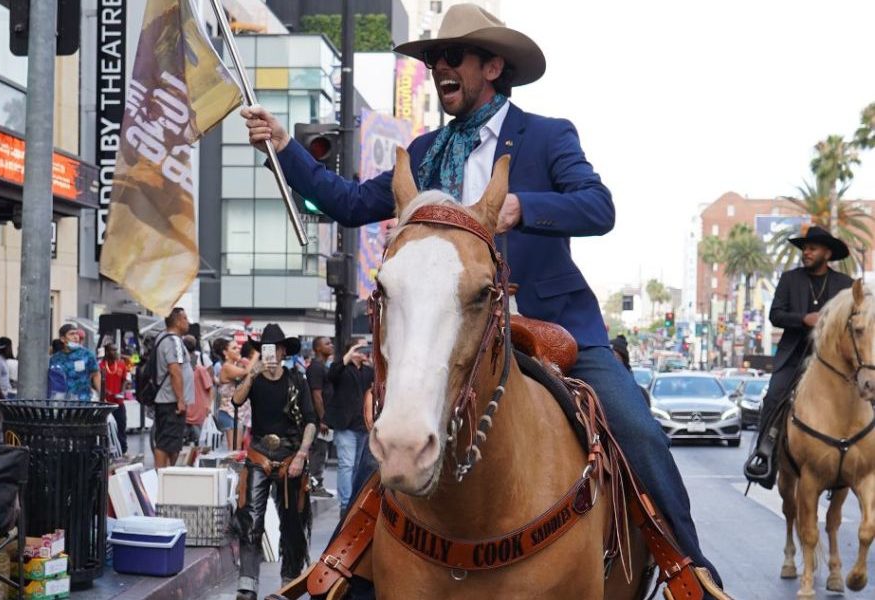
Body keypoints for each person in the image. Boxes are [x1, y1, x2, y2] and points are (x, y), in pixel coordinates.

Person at [241, 3, 723, 592]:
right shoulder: (422, 153)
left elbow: (599, 206)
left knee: (637, 430)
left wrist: (524, 208)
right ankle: (341, 573)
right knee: (385, 448)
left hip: (553, 326)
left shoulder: (547, 136)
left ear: (492, 65)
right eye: (434, 59)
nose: (439, 68)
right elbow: (344, 202)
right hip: (451, 335)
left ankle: (689, 572)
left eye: (452, 57)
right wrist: (284, 145)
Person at [745, 226, 853, 487]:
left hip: (833, 358)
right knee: (773, 396)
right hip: (794, 356)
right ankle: (765, 455)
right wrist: (803, 319)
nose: (806, 252)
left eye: (812, 248)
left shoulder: (845, 284)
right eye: (804, 248)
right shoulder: (790, 279)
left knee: (865, 394)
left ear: (827, 253)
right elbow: (775, 315)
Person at [231, 323, 316, 600]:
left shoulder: (297, 381)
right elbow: (235, 400)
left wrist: (302, 455)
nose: (271, 354)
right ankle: (247, 584)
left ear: (282, 351)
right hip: (259, 457)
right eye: (265, 348)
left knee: (292, 523)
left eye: (275, 348)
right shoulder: (253, 380)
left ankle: (288, 582)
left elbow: (311, 422)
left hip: (290, 457)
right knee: (250, 520)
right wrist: (251, 374)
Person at [327, 339, 374, 515]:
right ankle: (346, 504)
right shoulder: (342, 368)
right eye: (360, 348)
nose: (364, 351)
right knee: (346, 465)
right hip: (345, 425)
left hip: (362, 425)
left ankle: (354, 500)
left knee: (357, 466)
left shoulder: (368, 371)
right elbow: (331, 375)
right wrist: (349, 353)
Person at [153, 307, 194, 468]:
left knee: (168, 442)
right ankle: (162, 477)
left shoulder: (163, 337)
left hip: (168, 400)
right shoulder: (173, 341)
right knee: (166, 442)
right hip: (171, 401)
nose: (187, 322)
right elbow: (174, 370)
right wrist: (180, 400)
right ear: (177, 321)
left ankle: (164, 475)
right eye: (185, 318)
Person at [214, 337, 257, 450]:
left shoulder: (234, 365)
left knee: (236, 449)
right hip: (230, 413)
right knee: (234, 450)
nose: (238, 350)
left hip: (236, 414)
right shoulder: (227, 367)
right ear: (225, 353)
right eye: (234, 348)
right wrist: (256, 353)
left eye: (238, 347)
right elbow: (245, 372)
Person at [306, 336, 335, 497]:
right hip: (318, 420)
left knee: (321, 451)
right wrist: (323, 419)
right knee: (318, 451)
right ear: (317, 348)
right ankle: (315, 484)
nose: (331, 346)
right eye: (327, 343)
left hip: (324, 418)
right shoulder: (316, 368)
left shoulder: (323, 367)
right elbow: (316, 395)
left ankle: (316, 482)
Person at [49, 324, 100, 401]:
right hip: (62, 403)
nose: (76, 337)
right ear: (63, 339)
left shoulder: (87, 355)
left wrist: (101, 395)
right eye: (71, 334)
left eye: (76, 334)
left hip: (83, 401)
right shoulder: (55, 358)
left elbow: (96, 375)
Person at [99, 342, 130, 454]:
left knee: (121, 426)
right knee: (107, 429)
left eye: (116, 350)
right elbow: (96, 382)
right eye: (113, 350)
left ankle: (123, 450)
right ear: (107, 352)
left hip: (119, 402)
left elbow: (125, 379)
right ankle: (108, 450)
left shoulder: (121, 364)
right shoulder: (101, 365)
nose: (116, 352)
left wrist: (122, 391)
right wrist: (105, 390)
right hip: (106, 403)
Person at [184, 335, 214, 444]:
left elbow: (210, 387)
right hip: (186, 410)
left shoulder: (200, 368)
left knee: (200, 441)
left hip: (198, 411)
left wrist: (209, 405)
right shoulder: (182, 367)